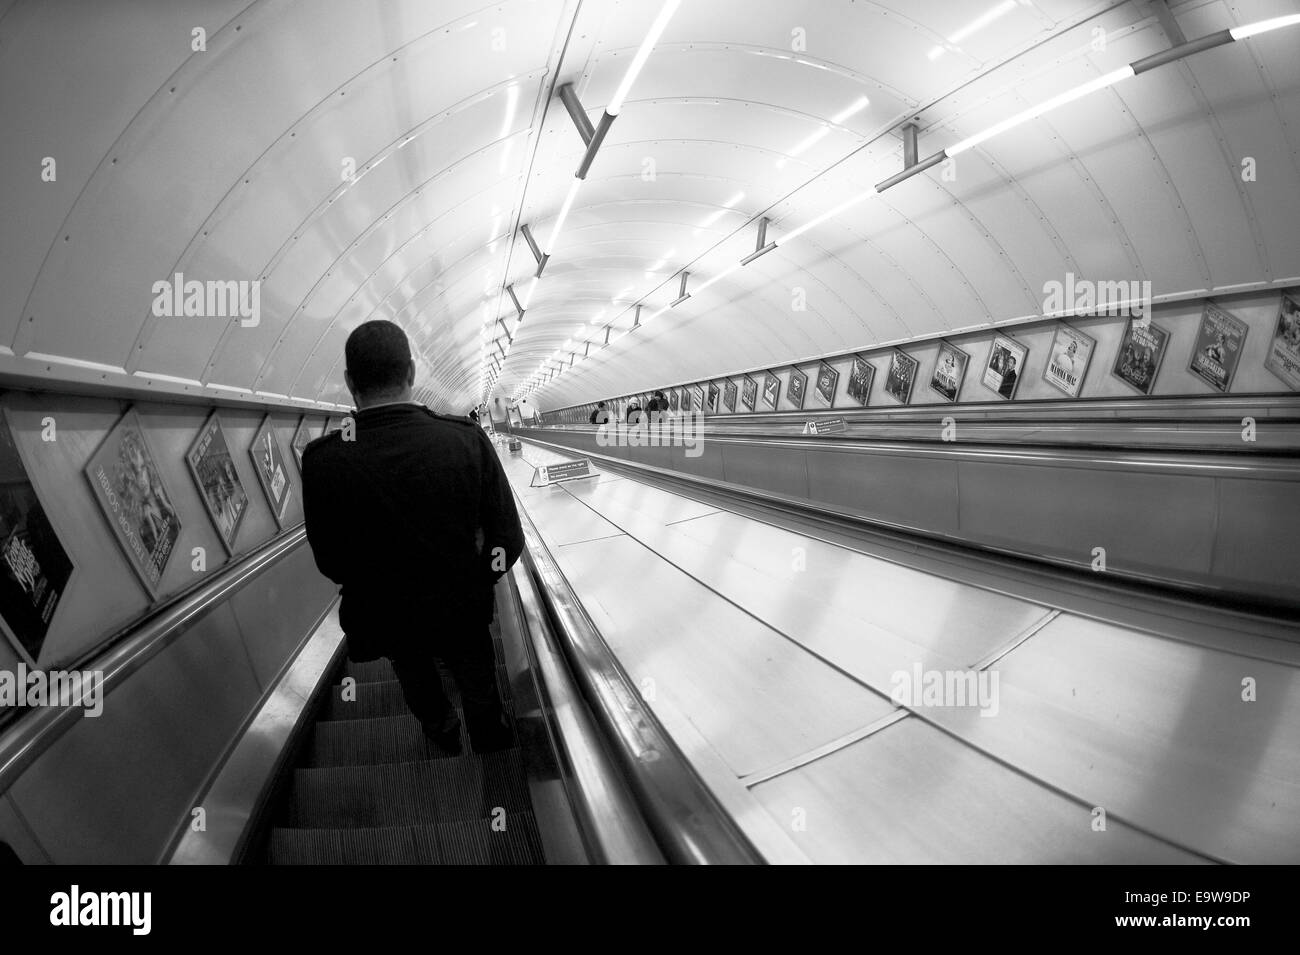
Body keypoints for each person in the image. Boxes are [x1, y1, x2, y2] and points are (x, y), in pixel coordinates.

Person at [302, 320, 523, 754]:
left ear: (350, 383)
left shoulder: (323, 462)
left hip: (388, 616)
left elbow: (330, 560)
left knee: (413, 672)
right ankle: (489, 742)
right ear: (412, 373)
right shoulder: (463, 441)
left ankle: (441, 734)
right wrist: (479, 578)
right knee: (476, 674)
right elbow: (507, 540)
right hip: (462, 606)